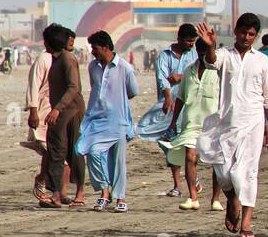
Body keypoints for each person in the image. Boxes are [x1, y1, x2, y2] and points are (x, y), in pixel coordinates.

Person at [194, 15, 268, 237]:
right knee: (222, 169)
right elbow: (211, 62)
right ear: (236, 32)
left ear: (256, 36)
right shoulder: (225, 55)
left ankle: (247, 221)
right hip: (226, 122)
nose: (246, 38)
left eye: (251, 34)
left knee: (247, 173)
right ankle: (231, 197)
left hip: (253, 123)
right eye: (243, 33)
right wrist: (210, 46)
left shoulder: (261, 61)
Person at [75, 30, 139, 212]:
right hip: (96, 119)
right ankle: (104, 192)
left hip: (118, 120)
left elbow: (133, 91)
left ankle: (120, 197)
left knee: (118, 160)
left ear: (105, 47)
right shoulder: (92, 67)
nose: (92, 52)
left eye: (94, 48)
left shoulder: (125, 67)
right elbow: (95, 88)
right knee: (92, 152)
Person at [161, 37, 223, 211]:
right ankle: (193, 197)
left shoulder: (219, 72)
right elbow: (180, 98)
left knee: (216, 161)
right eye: (201, 50)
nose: (204, 54)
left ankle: (215, 199)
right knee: (190, 157)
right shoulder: (189, 71)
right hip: (191, 122)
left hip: (214, 124)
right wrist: (173, 122)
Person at [137, 24, 198, 197]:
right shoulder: (165, 56)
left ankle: (190, 180)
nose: (191, 44)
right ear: (179, 39)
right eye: (188, 41)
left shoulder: (193, 54)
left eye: (193, 41)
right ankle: (178, 184)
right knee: (167, 143)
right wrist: (169, 97)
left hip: (189, 106)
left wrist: (181, 76)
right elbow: (161, 78)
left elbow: (198, 73)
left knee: (186, 144)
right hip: (168, 107)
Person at [22, 26, 56, 200]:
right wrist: (33, 111)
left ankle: (61, 193)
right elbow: (34, 86)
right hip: (44, 110)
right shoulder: (44, 59)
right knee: (49, 150)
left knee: (59, 151)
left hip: (59, 111)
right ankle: (43, 181)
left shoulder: (65, 59)